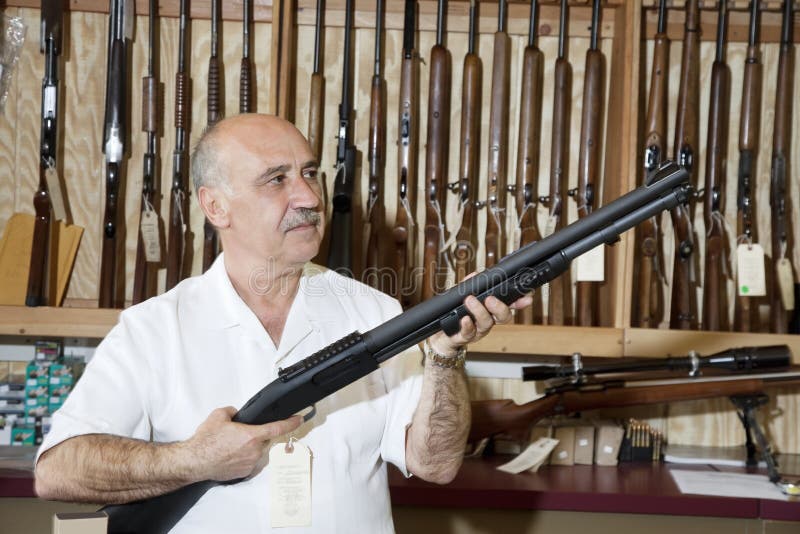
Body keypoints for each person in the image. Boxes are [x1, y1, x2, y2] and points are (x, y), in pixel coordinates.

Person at [34, 114, 531, 532]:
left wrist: (446, 355)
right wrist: (194, 461)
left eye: (310, 173)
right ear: (215, 206)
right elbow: (57, 471)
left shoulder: (374, 312)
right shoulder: (152, 329)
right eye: (277, 179)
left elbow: (436, 464)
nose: (310, 198)